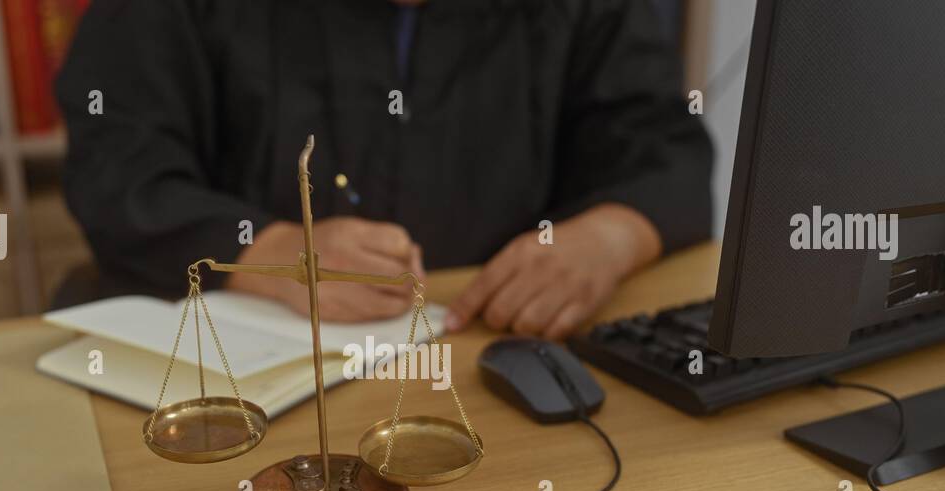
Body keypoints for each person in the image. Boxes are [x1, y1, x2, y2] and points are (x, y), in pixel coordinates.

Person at [57, 0, 712, 340]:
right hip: (242, 377)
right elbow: (117, 165)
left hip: (483, 353)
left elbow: (664, 148)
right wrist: (272, 251)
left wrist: (608, 238)